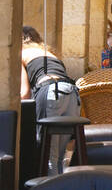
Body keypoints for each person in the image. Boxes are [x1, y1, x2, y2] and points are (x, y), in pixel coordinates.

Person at [20, 25, 81, 173]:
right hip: (72, 93)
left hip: (50, 92)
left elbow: (24, 93)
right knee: (60, 156)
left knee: (48, 157)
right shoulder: (48, 53)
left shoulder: (21, 54)